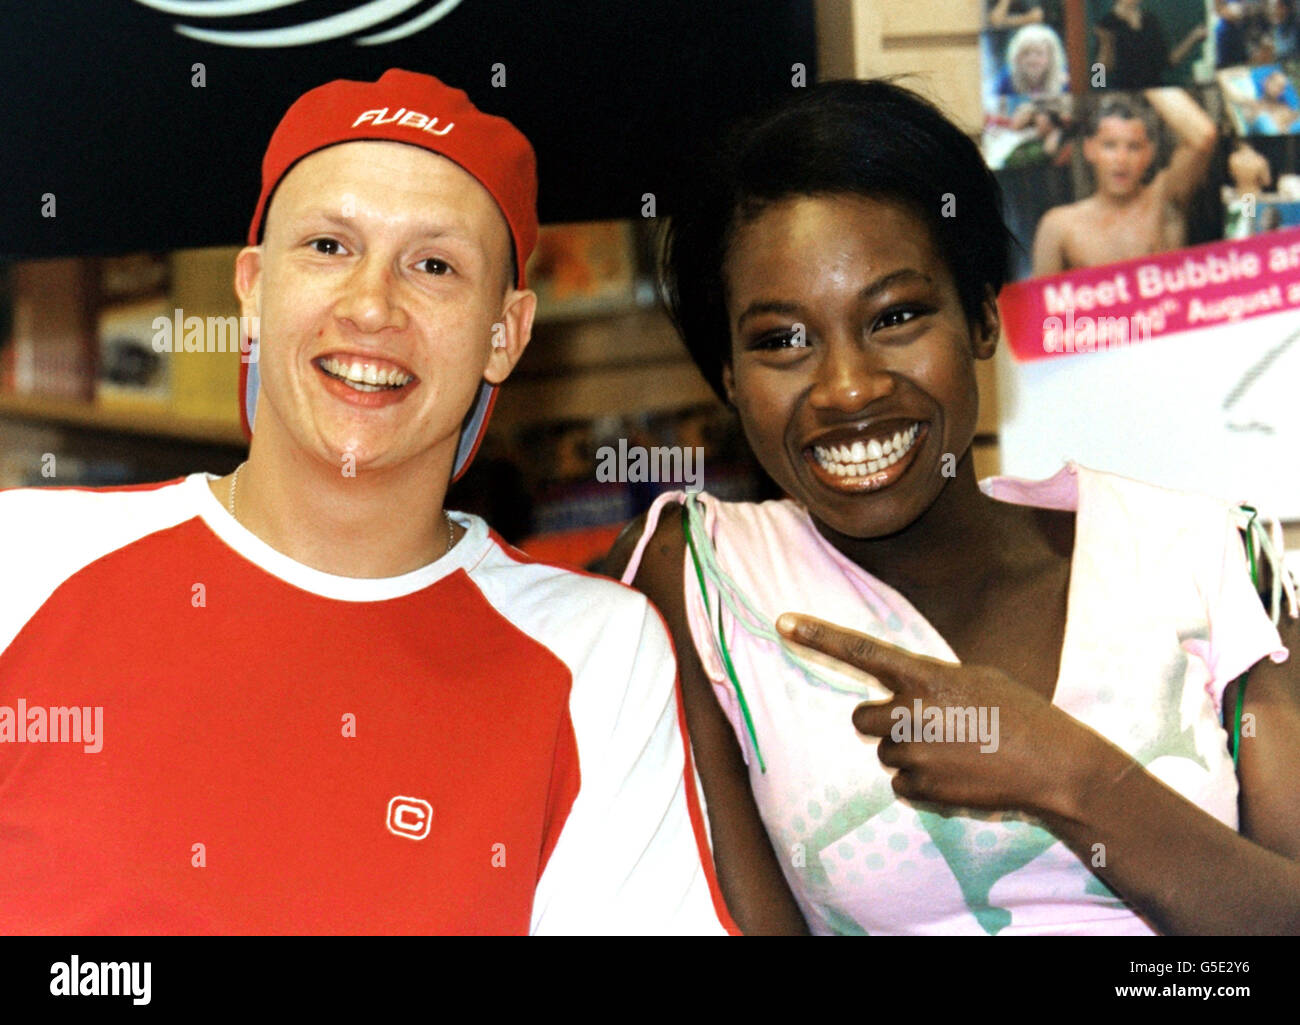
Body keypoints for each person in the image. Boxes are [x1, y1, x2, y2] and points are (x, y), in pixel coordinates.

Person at [0, 69, 749, 936]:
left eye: (433, 264)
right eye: (328, 246)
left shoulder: (597, 656)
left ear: (504, 334)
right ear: (251, 289)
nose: (370, 305)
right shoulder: (26, 557)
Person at [604, 78, 1300, 935]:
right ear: (727, 379)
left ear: (980, 320)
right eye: (783, 339)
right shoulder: (701, 576)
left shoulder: (1206, 554)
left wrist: (1068, 774)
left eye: (896, 315)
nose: (847, 387)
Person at [1031, 88, 1217, 275]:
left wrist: (1141, 78)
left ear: (1149, 153)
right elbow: (1041, 301)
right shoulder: (1059, 227)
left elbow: (1202, 136)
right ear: (1089, 149)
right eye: (1109, 146)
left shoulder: (1163, 200)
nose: (1121, 159)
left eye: (1134, 147)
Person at [1094, 0, 1209, 89]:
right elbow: (1098, 77)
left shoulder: (1150, 21)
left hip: (1155, 93)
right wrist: (1106, 44)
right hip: (1124, 94)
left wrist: (1193, 37)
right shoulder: (1106, 24)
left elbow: (1168, 61)